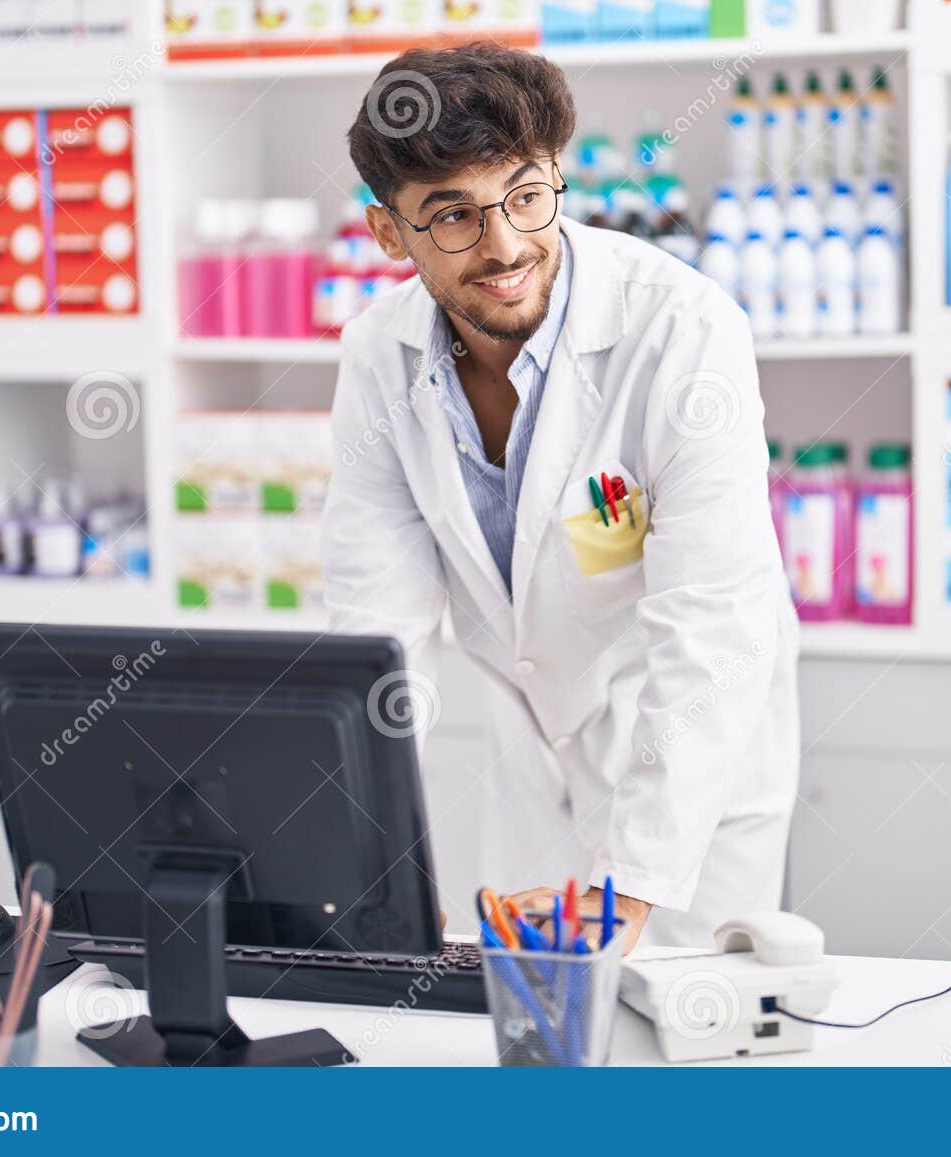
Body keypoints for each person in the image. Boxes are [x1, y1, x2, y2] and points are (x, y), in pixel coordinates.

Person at [324, 42, 798, 948]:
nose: (505, 246)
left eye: (525, 195)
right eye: (454, 216)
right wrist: (348, 856)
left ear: (556, 178)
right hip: (532, 745)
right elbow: (378, 637)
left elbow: (712, 624)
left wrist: (634, 881)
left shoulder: (683, 332)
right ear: (390, 234)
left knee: (685, 1036)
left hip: (693, 758)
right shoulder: (376, 360)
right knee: (534, 1037)